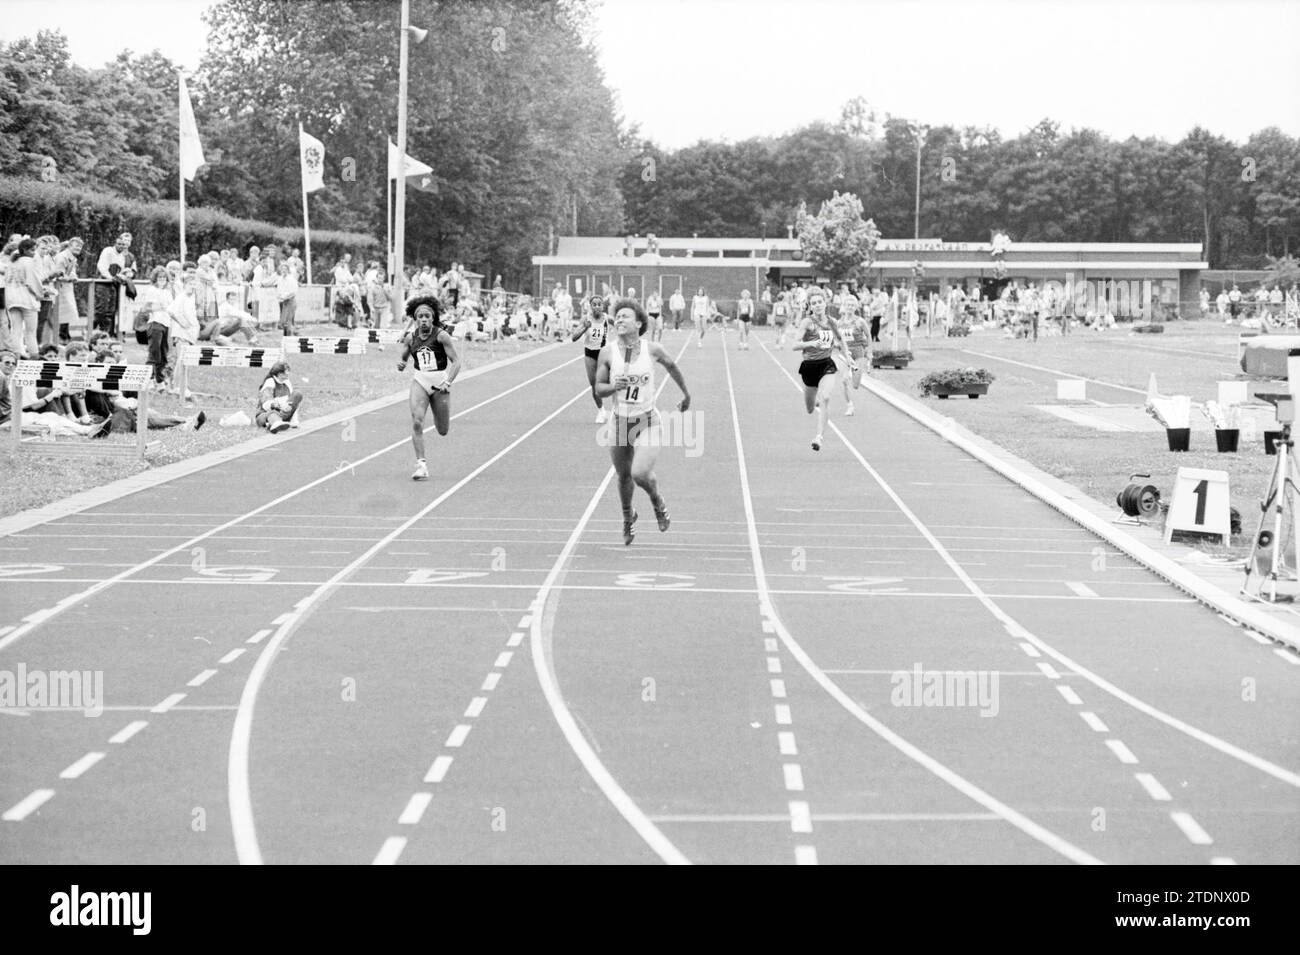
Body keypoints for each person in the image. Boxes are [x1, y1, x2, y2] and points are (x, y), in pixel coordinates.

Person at [593, 298, 690, 546]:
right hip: (619, 421)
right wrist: (614, 386)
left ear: (639, 323)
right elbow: (598, 389)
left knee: (639, 473)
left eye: (625, 316)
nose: (620, 320)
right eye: (618, 316)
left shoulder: (652, 349)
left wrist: (686, 395)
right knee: (623, 475)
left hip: (647, 420)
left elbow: (672, 366)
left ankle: (657, 501)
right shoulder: (608, 352)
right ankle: (628, 517)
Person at [396, 293, 460, 481]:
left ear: (433, 318)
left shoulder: (442, 336)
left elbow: (456, 362)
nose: (424, 319)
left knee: (443, 430)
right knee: (417, 421)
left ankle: (439, 414)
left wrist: (447, 381)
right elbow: (404, 357)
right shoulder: (410, 338)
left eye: (427, 316)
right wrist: (401, 363)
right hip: (420, 381)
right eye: (420, 316)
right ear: (415, 319)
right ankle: (421, 465)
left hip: (440, 383)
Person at [792, 287, 856, 452]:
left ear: (825, 303)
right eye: (814, 303)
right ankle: (814, 402)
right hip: (809, 367)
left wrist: (847, 356)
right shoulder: (807, 322)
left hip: (826, 364)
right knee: (810, 408)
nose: (818, 305)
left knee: (826, 397)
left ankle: (819, 437)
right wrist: (811, 343)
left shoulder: (832, 322)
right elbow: (794, 344)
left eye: (820, 302)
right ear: (811, 306)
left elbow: (841, 341)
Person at [571, 294, 613, 423]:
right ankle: (601, 411)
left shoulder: (607, 318)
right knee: (594, 385)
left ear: (602, 306)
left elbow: (621, 325)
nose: (596, 307)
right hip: (590, 354)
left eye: (599, 304)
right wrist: (584, 328)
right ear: (590, 306)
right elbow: (573, 337)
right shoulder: (586, 319)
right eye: (594, 304)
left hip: (604, 353)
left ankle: (618, 410)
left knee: (612, 381)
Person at [4, 237, 43, 358]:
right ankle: (34, 358)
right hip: (26, 300)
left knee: (15, 330)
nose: (34, 253)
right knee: (30, 332)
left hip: (12, 299)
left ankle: (16, 358)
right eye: (32, 250)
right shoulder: (29, 262)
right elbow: (32, 282)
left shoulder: (12, 262)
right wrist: (40, 294)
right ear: (25, 250)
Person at [255, 361, 303, 433]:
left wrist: (294, 421)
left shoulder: (287, 382)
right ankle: (274, 423)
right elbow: (266, 403)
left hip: (283, 413)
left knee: (297, 394)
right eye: (286, 371)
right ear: (280, 374)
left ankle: (283, 422)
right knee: (272, 413)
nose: (288, 373)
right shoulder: (270, 382)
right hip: (267, 413)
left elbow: (291, 402)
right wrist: (279, 406)